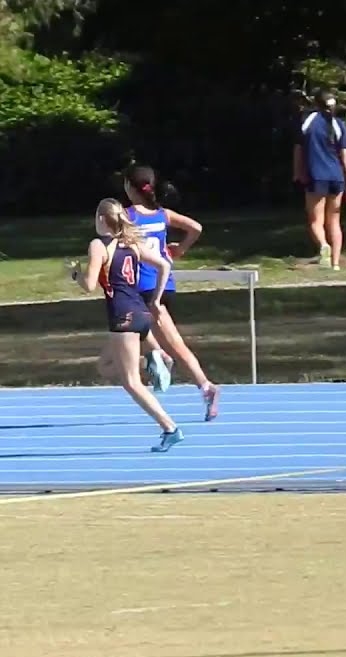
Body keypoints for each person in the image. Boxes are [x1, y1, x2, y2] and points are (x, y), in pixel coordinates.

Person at [70, 198, 184, 452]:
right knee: (104, 367)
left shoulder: (98, 245)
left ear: (101, 219)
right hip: (141, 313)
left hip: (123, 317)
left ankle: (170, 428)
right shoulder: (131, 243)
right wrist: (155, 299)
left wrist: (76, 274)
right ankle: (155, 357)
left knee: (131, 382)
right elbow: (164, 264)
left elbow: (89, 286)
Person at [123, 165, 220, 421]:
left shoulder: (126, 216)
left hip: (146, 287)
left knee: (173, 343)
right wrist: (181, 248)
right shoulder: (162, 215)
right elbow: (196, 227)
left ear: (130, 188)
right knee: (133, 329)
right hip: (164, 285)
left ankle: (205, 385)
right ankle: (159, 355)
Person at [293, 89, 346, 270]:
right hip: (337, 178)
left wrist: (297, 172)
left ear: (316, 104)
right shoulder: (339, 124)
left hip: (316, 176)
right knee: (335, 221)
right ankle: (335, 264)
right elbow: (345, 155)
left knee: (315, 220)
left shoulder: (307, 122)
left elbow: (298, 150)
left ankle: (323, 246)